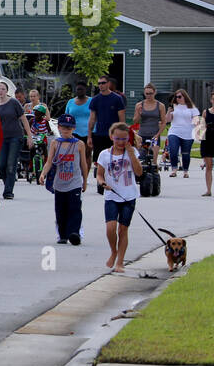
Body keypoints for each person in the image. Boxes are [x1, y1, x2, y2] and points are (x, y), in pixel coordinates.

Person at [97, 123, 142, 273]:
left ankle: (120, 262)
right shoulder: (104, 154)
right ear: (111, 137)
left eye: (124, 139)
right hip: (111, 195)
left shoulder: (132, 151)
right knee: (111, 228)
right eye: (118, 138)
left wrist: (130, 152)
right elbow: (99, 174)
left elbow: (139, 172)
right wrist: (102, 182)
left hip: (129, 196)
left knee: (123, 229)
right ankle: (113, 251)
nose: (121, 142)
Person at [42, 113, 89, 246]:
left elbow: (83, 164)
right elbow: (49, 162)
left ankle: (75, 233)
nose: (66, 130)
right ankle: (62, 235)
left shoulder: (79, 144)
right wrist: (43, 174)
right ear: (59, 127)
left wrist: (84, 181)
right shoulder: (55, 143)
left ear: (73, 128)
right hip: (59, 183)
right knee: (60, 209)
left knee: (75, 208)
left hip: (74, 182)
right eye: (64, 127)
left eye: (69, 127)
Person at [0, 81, 33, 199]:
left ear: (6, 91)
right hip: (1, 139)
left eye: (2, 89)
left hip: (15, 137)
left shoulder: (13, 103)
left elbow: (24, 119)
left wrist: (29, 136)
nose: (0, 91)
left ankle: (8, 192)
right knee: (0, 164)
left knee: (11, 164)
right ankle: (8, 185)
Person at [88, 75, 125, 162]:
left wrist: (122, 135)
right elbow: (92, 119)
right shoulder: (95, 100)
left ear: (108, 83)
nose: (101, 85)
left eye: (103, 83)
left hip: (114, 135)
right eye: (99, 83)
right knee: (99, 161)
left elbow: (122, 120)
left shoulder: (117, 99)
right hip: (99, 134)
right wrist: (89, 136)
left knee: (115, 160)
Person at [131, 83, 165, 171]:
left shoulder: (160, 106)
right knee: (142, 157)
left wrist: (158, 134)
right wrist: (139, 112)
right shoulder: (139, 105)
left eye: (151, 93)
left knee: (153, 159)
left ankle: (155, 177)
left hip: (154, 135)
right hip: (143, 135)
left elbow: (164, 122)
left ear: (154, 93)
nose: (149, 95)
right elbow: (135, 121)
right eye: (147, 94)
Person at [164, 89, 198, 178]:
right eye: (176, 97)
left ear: (184, 97)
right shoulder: (174, 106)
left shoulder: (191, 107)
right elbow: (167, 120)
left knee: (186, 153)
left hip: (188, 133)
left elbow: (196, 120)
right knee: (173, 151)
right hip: (174, 131)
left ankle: (185, 171)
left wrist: (197, 127)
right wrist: (168, 111)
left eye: (179, 97)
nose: (178, 99)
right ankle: (174, 169)